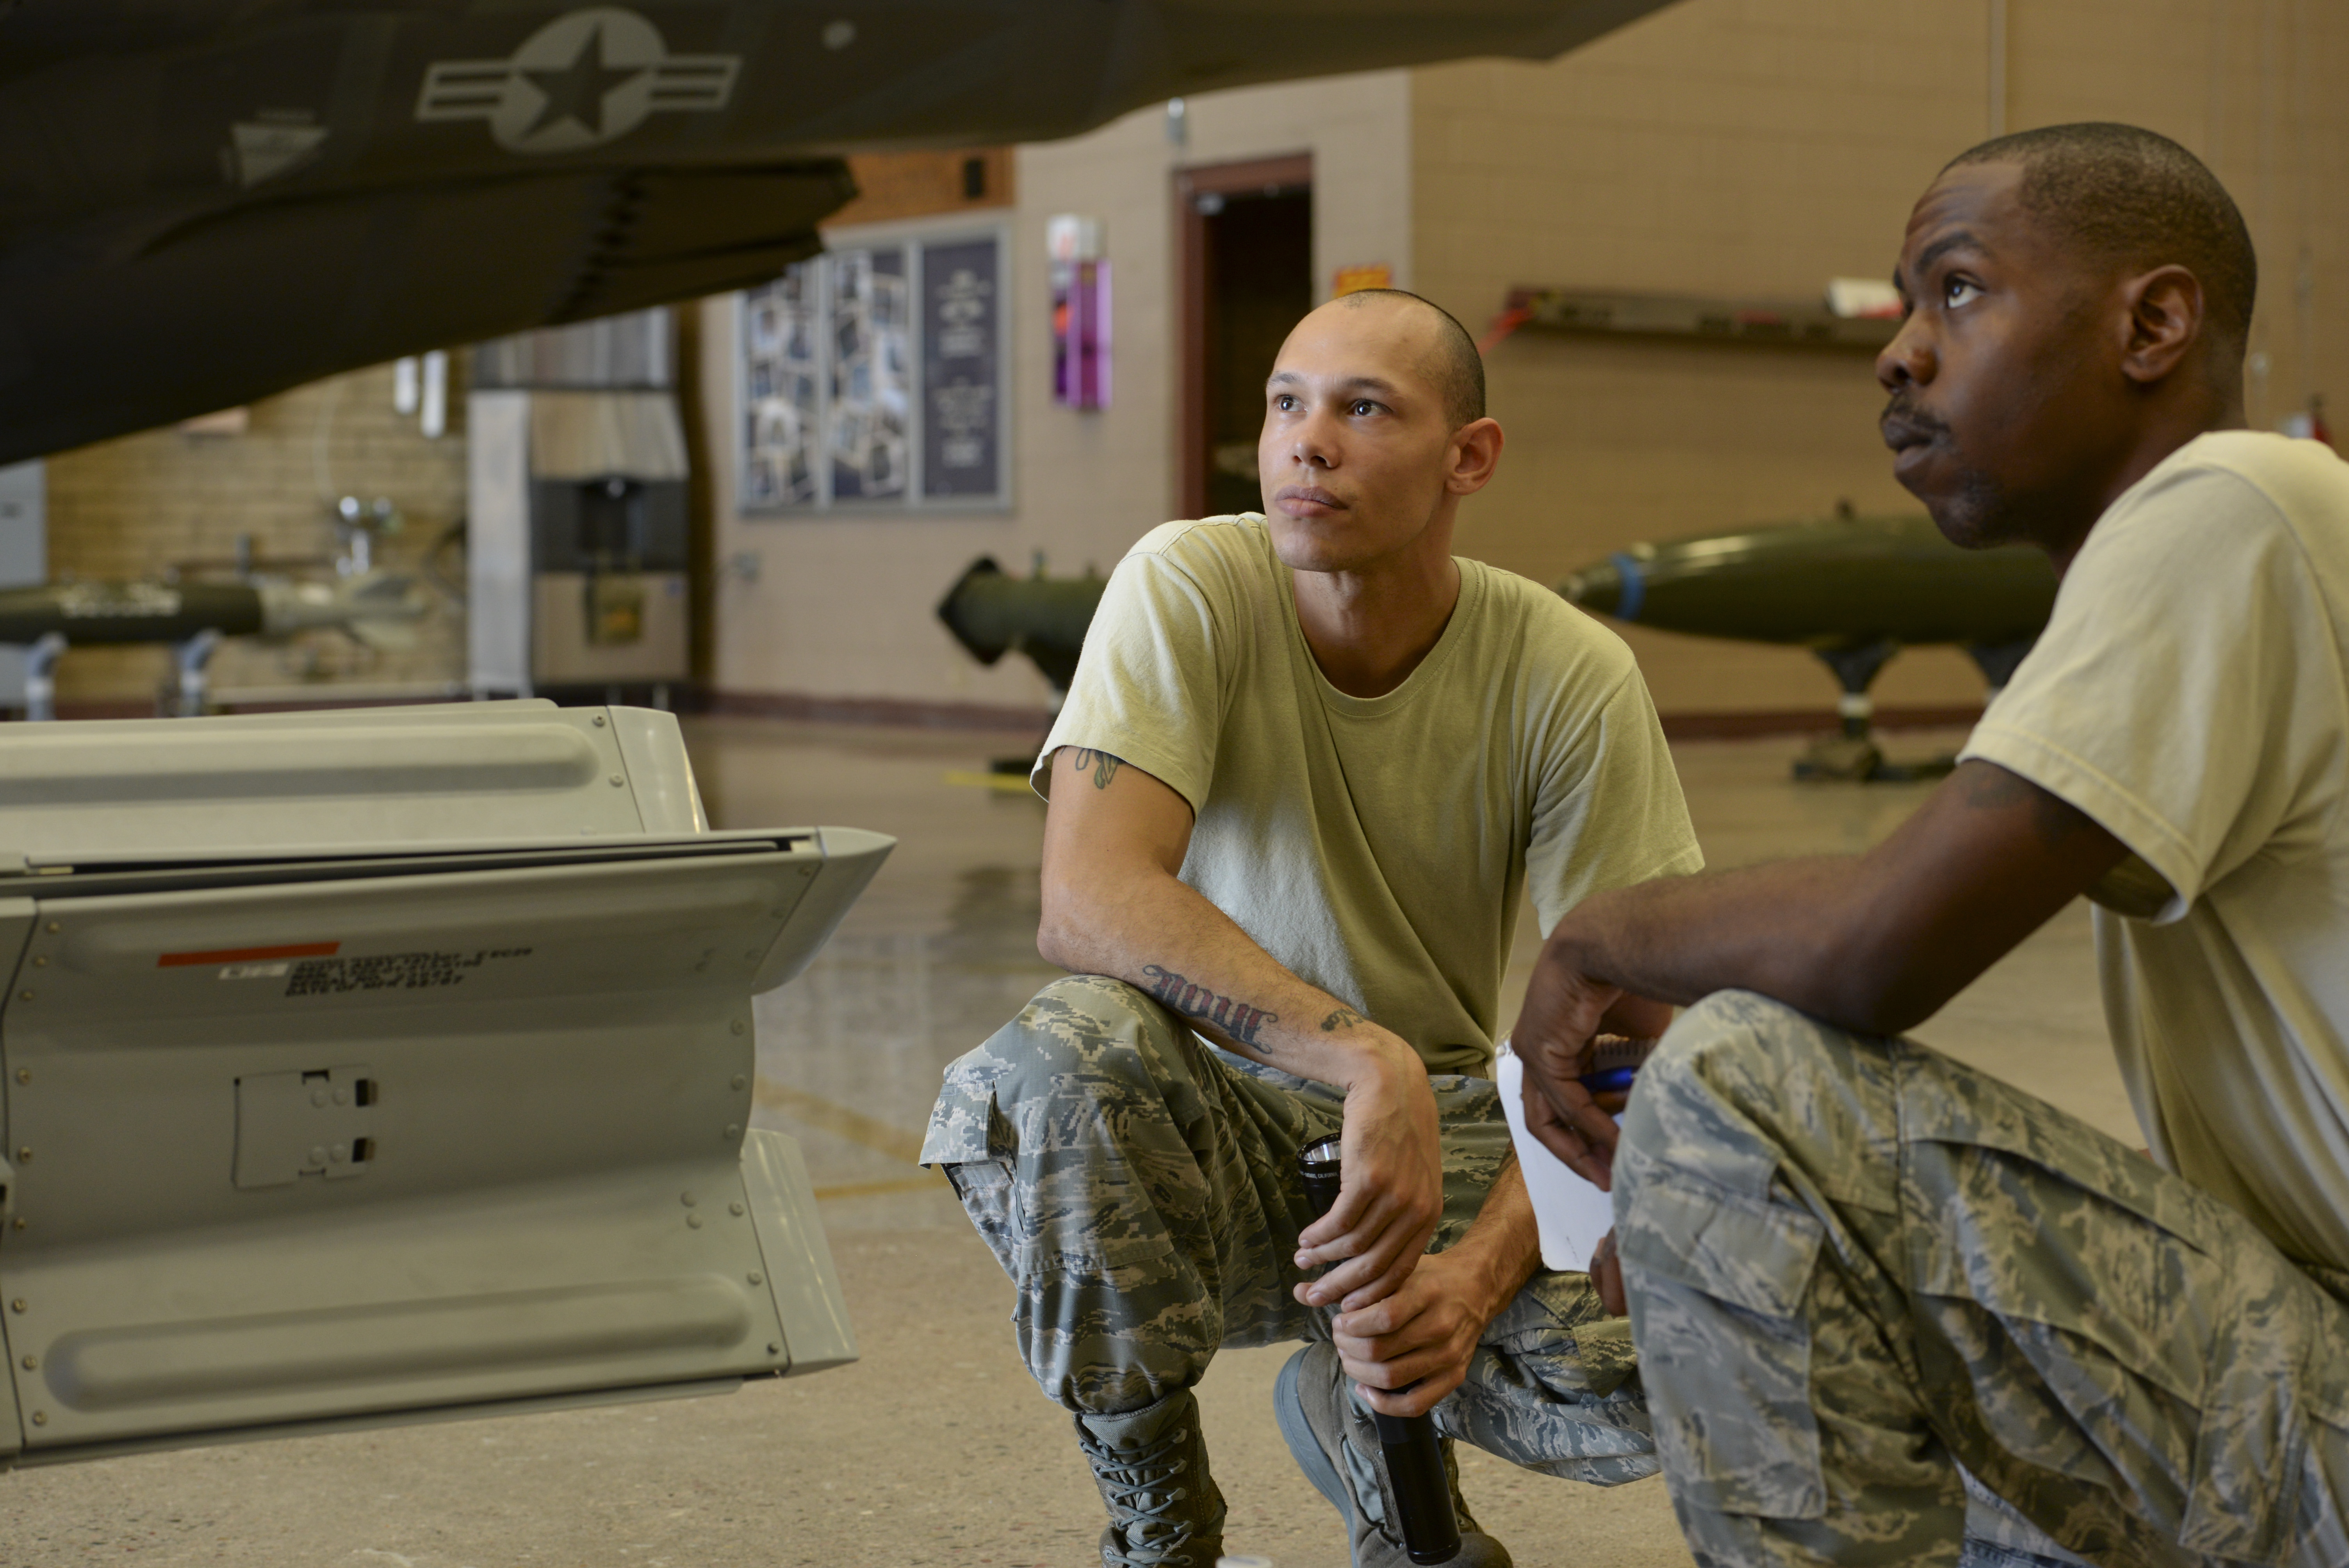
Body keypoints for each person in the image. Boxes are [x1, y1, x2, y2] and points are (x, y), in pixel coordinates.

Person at [1516, 122, 2349, 1567]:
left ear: (2155, 322)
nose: (1900, 354)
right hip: (2300, 1343)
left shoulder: (2233, 505)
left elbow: (1874, 943)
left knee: (1739, 1084)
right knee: (1738, 1258)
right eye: (1904, 306)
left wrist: (1595, 934)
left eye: (1957, 292)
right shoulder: (2233, 543)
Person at [920, 288, 1703, 1568]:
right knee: (1054, 1066)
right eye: (1286, 403)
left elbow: (1633, 1034)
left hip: (1438, 1142)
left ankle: (1367, 1414)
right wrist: (1359, 1057)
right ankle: (1161, 1523)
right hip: (1204, 1130)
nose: (1305, 443)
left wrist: (1480, 1278)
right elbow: (1088, 895)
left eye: (1362, 409)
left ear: (1470, 457)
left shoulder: (1567, 673)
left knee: (1700, 1328)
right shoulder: (1191, 581)